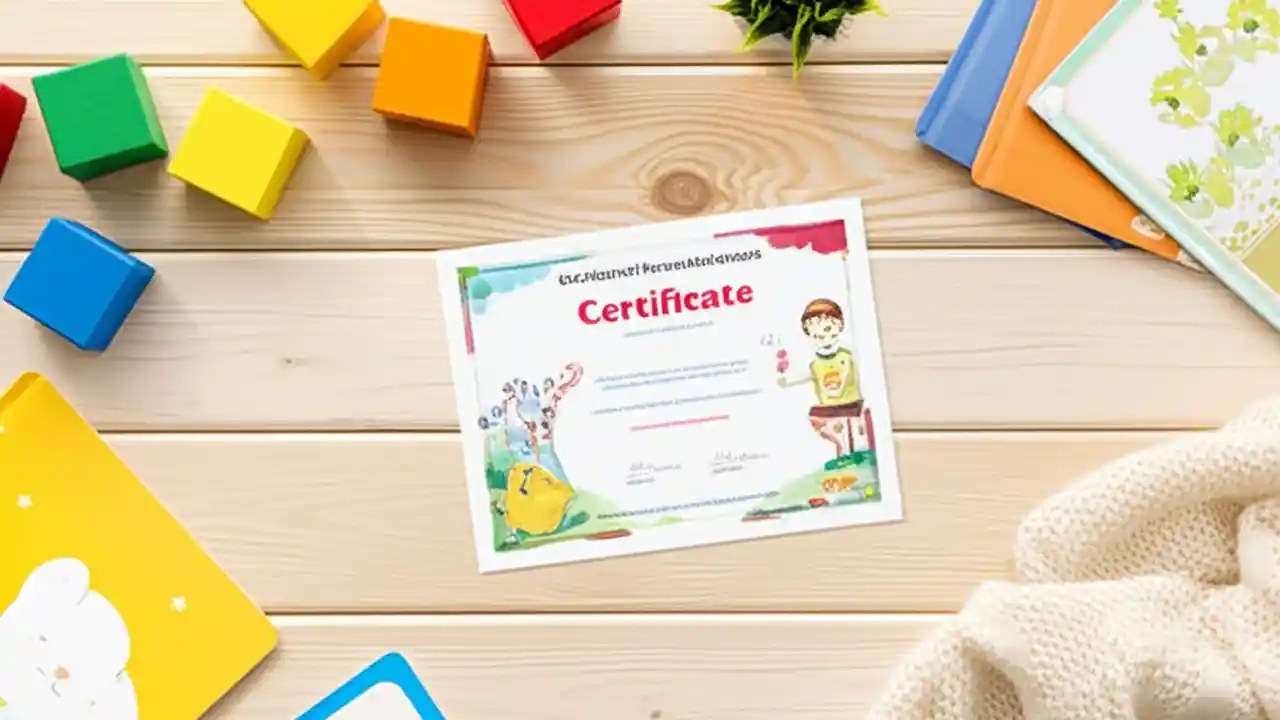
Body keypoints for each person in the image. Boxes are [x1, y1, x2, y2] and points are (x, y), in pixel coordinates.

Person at [777, 298, 864, 460]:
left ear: (839, 326)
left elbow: (842, 378)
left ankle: (850, 452)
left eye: (827, 329)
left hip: (848, 403)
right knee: (826, 424)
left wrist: (835, 389)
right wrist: (786, 380)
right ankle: (844, 452)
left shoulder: (844, 356)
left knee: (847, 429)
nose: (823, 337)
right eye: (817, 334)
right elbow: (808, 375)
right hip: (830, 406)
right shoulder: (817, 363)